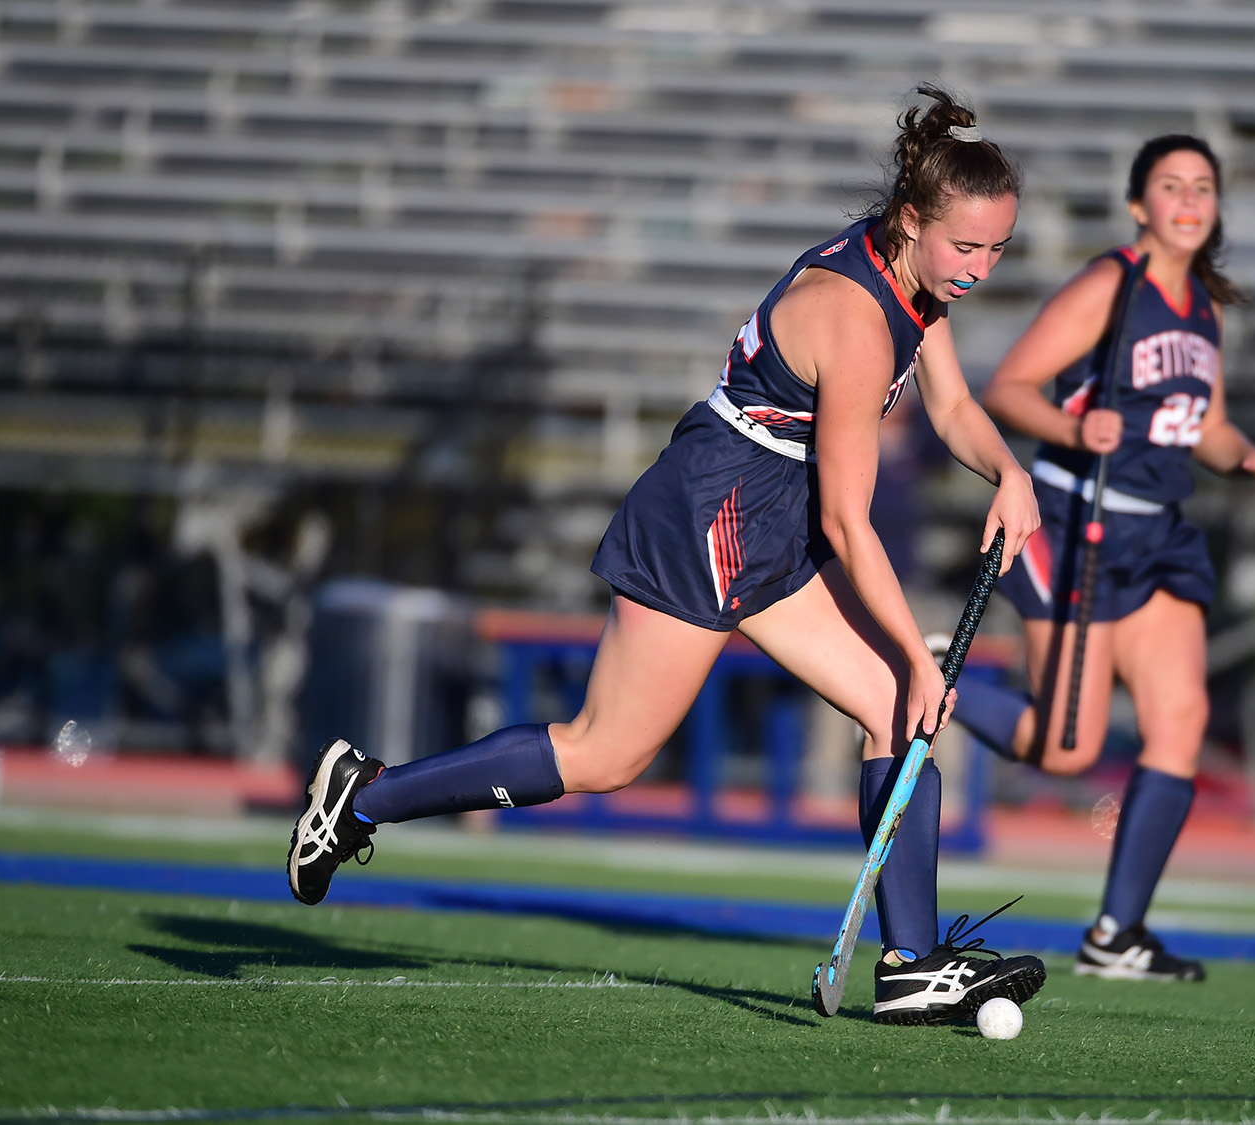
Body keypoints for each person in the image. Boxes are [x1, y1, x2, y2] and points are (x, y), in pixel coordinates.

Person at [288, 85, 1047, 1026]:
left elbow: (955, 411)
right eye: (964, 247)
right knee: (607, 753)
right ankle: (362, 796)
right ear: (910, 221)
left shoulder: (915, 287)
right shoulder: (855, 318)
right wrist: (909, 646)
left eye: (996, 250)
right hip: (711, 513)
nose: (978, 269)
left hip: (769, 515)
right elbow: (853, 524)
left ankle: (913, 962)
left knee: (895, 709)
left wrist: (1008, 472)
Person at [950, 134, 1255, 982]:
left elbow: (1203, 425)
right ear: (1140, 204)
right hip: (1079, 522)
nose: (1189, 200)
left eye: (1204, 187)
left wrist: (1246, 455)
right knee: (1067, 751)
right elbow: (1008, 388)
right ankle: (933, 680)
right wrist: (1076, 428)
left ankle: (1117, 931)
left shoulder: (1204, 305)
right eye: (1171, 186)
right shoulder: (1114, 282)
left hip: (1161, 535)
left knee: (1178, 720)